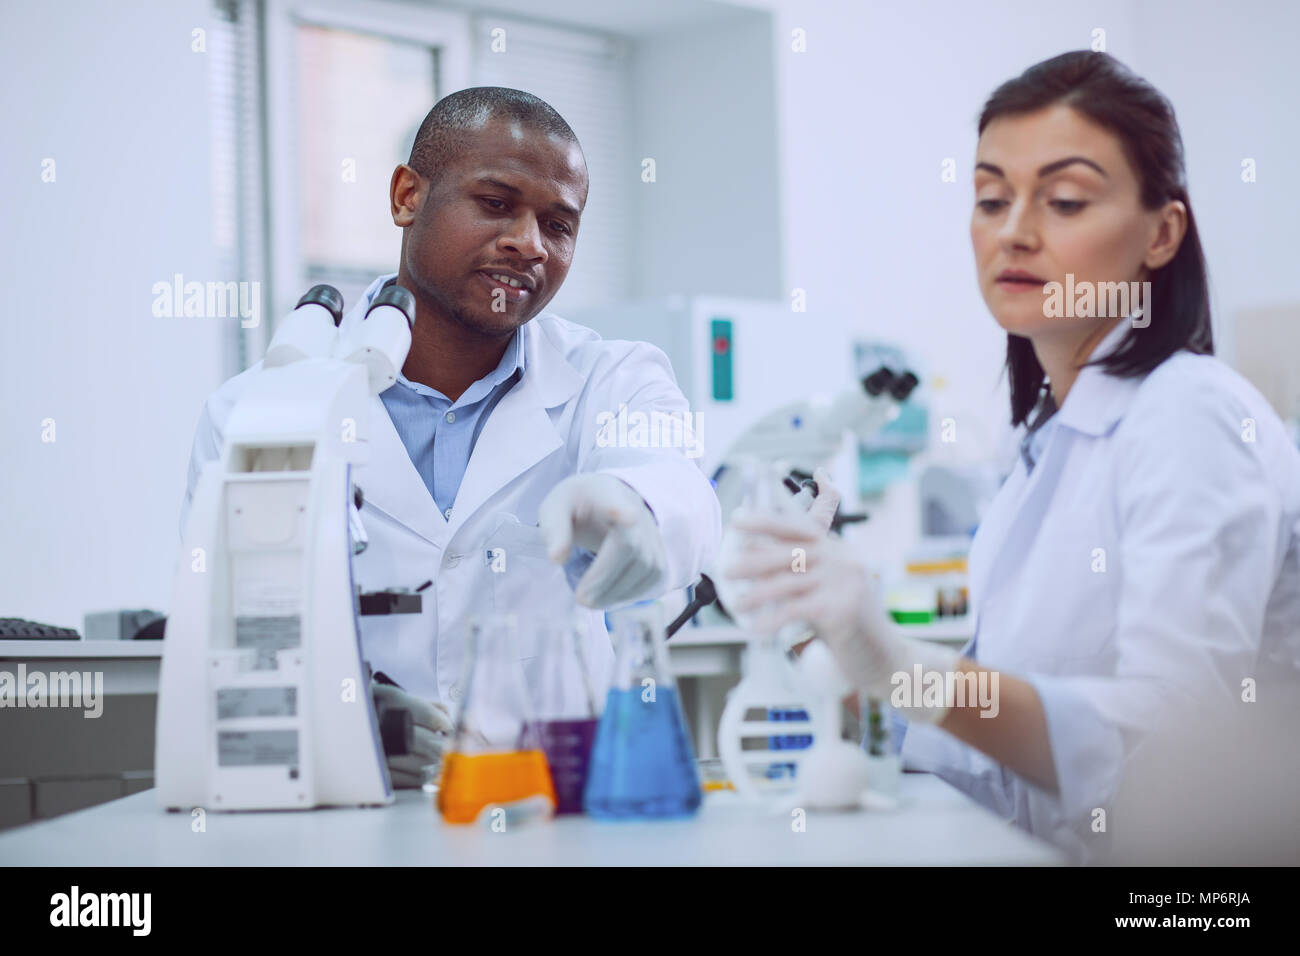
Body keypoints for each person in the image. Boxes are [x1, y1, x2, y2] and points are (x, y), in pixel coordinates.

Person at [723, 51, 1300, 861]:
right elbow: (998, 747)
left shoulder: (1189, 415)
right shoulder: (1046, 434)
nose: (1015, 231)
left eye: (1064, 199)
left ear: (1163, 232)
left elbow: (1171, 740)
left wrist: (899, 664)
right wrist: (821, 635)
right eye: (991, 198)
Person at [182, 88, 720, 787]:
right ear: (408, 196)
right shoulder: (254, 412)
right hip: (343, 810)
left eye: (558, 224)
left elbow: (676, 483)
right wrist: (339, 720)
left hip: (553, 812)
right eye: (496, 203)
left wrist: (633, 507)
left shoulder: (609, 378)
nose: (529, 242)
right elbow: (226, 642)